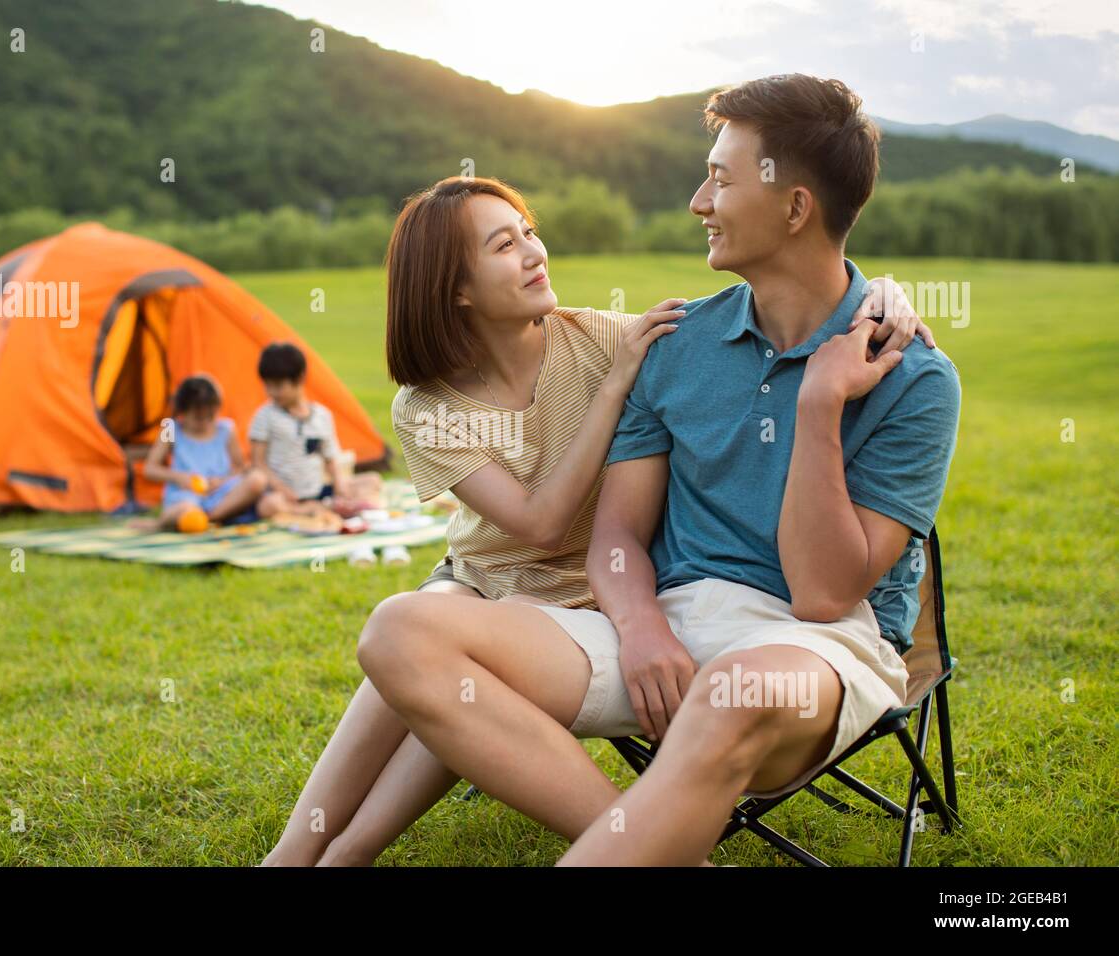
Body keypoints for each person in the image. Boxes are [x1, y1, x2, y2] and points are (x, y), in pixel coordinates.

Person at [262, 169, 934, 866]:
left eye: (530, 232)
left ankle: (350, 855)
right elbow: (539, 524)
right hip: (493, 577)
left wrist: (880, 293)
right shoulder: (429, 407)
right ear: (455, 288)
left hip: (599, 589)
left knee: (438, 670)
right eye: (503, 246)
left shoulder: (607, 337)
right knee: (406, 648)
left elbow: (780, 302)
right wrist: (615, 389)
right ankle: (300, 854)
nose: (533, 252)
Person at [249, 342, 385, 521]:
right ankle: (320, 509)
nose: (271, 392)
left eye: (278, 385)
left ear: (299, 378)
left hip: (319, 490)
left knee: (373, 480)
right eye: (267, 385)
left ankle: (326, 505)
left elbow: (330, 457)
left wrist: (339, 483)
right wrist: (281, 488)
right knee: (269, 506)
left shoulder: (321, 415)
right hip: (285, 494)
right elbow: (258, 462)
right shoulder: (265, 416)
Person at [136, 374, 271, 531]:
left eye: (211, 416)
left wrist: (220, 481)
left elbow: (240, 469)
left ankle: (209, 518)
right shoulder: (171, 428)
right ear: (182, 412)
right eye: (199, 418)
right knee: (185, 510)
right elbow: (150, 469)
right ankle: (188, 520)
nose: (206, 422)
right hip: (186, 496)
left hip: (221, 494)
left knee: (257, 480)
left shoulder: (226, 429)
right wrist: (180, 478)